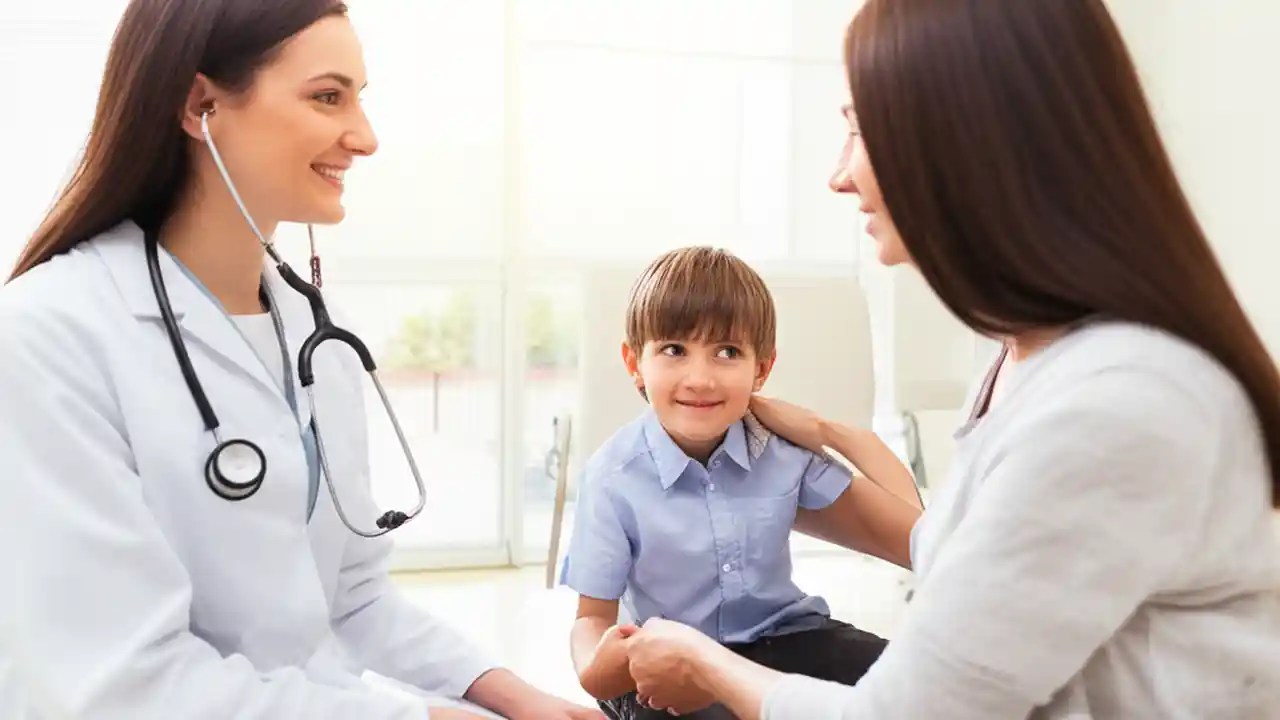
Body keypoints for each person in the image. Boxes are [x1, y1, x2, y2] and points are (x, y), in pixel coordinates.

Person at [621, 0, 1280, 718]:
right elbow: (966, 549)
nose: (840, 176)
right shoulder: (1025, 358)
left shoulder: (1116, 404)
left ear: (962, 143)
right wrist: (816, 442)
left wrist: (702, 661)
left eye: (858, 131)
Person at [0, 2, 602, 718]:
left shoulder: (318, 332)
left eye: (358, 98)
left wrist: (518, 697)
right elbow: (126, 685)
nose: (366, 137)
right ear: (200, 104)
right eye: (327, 96)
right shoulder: (52, 333)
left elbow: (354, 598)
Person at [563, 247, 923, 719]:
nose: (700, 378)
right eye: (674, 350)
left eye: (727, 353)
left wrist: (826, 431)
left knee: (918, 689)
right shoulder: (613, 478)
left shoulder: (781, 452)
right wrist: (600, 666)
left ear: (761, 369)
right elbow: (591, 619)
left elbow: (916, 533)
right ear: (635, 363)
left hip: (785, 638)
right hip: (668, 658)